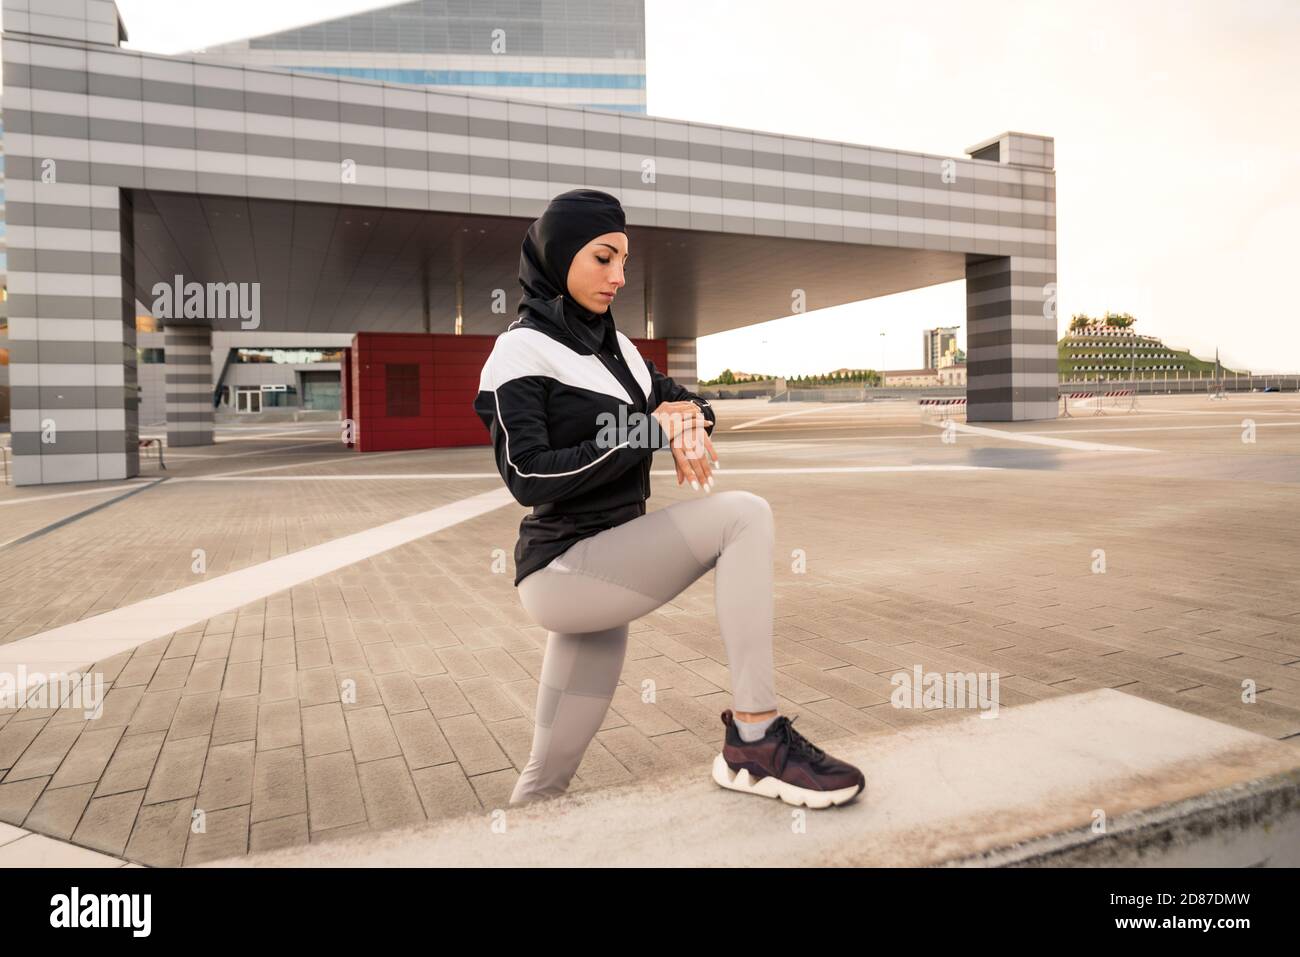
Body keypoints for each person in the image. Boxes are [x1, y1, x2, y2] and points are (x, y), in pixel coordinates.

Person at [473, 188, 865, 809]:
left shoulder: (621, 350)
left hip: (605, 571)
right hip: (563, 568)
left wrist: (685, 420)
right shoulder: (518, 350)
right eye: (603, 258)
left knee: (543, 785)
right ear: (561, 253)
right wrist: (649, 430)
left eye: (625, 261)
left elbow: (695, 406)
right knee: (743, 515)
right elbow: (528, 474)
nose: (619, 277)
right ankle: (756, 740)